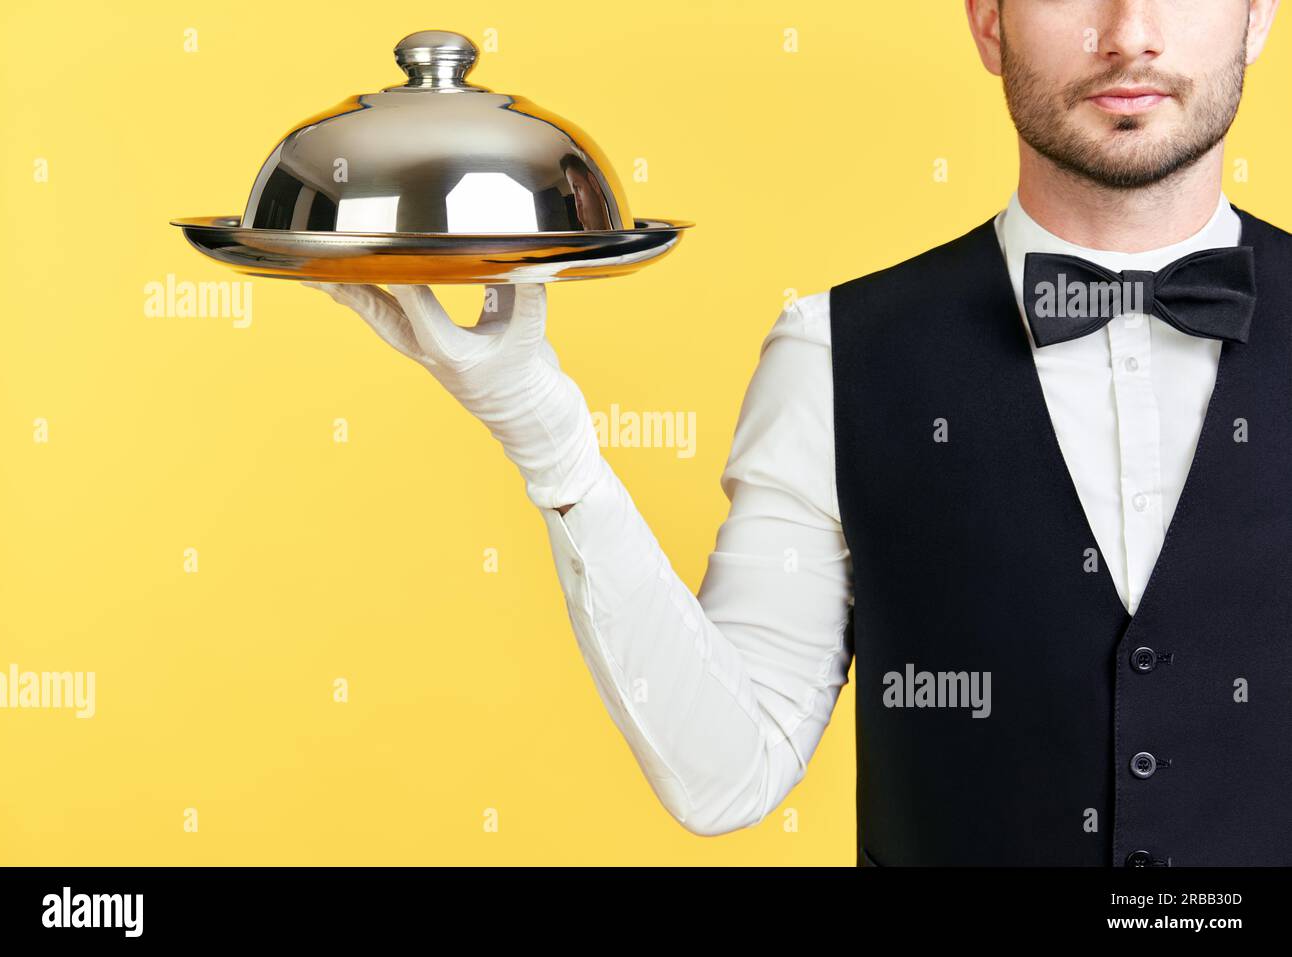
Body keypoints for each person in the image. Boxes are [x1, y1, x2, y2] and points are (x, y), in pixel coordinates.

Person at [306, 0, 1289, 866]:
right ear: (986, 19)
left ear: (1257, 14)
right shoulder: (834, 351)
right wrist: (544, 434)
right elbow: (726, 774)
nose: (1127, 33)